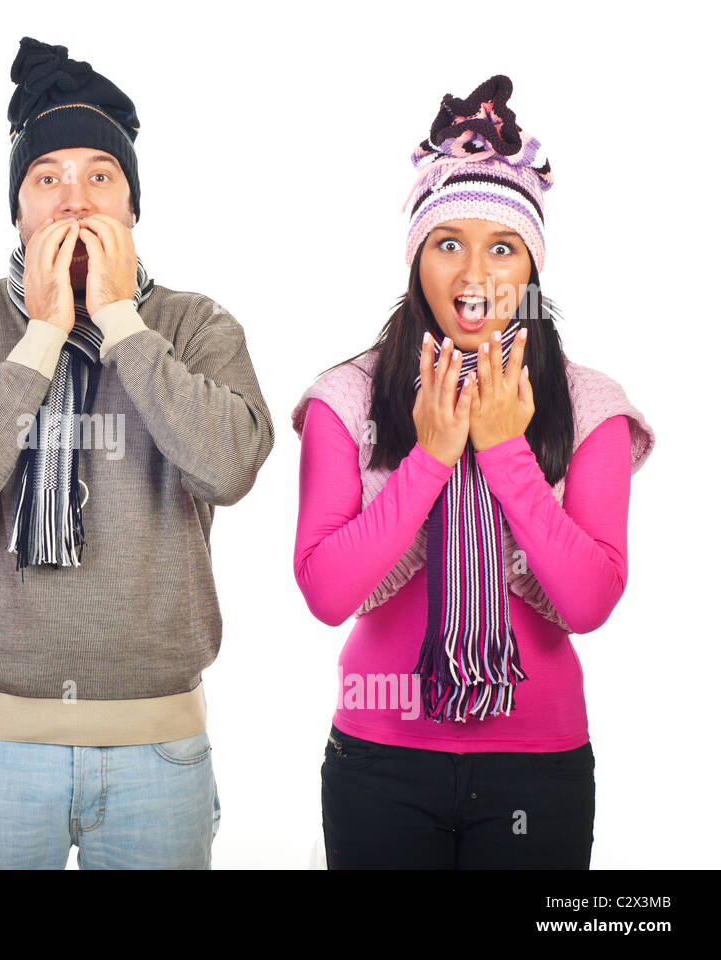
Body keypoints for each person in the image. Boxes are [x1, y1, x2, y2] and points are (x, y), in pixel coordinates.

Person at [0, 37, 274, 869]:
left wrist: (122, 324)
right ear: (19, 210)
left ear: (132, 207)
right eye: (48, 179)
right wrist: (40, 335)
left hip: (159, 753)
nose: (75, 201)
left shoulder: (193, 324)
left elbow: (230, 467)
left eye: (100, 176)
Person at [291, 75, 655, 868]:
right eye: (447, 243)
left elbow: (589, 602)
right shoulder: (347, 396)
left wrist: (504, 450)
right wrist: (431, 456)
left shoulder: (588, 403)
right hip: (380, 759)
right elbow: (326, 592)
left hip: (539, 765)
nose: (474, 274)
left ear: (533, 266)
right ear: (417, 254)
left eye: (502, 248)